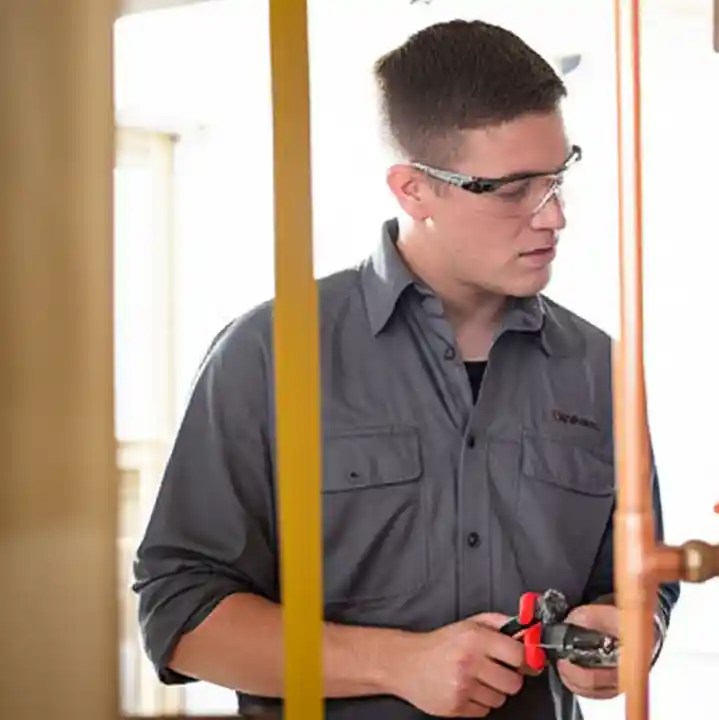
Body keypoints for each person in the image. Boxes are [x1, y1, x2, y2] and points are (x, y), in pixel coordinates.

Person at [132, 20, 678, 720]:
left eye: (557, 179)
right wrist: (397, 663)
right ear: (413, 190)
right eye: (514, 190)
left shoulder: (599, 368)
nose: (554, 218)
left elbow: (642, 583)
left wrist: (629, 631)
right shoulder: (270, 351)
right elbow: (180, 612)